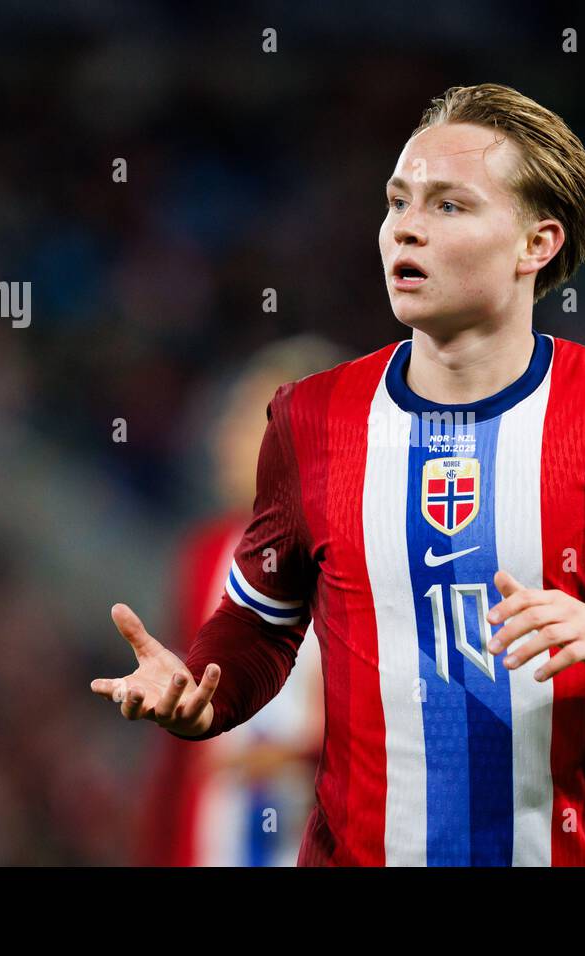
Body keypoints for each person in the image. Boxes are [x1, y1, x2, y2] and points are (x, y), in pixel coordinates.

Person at [92, 82, 585, 866]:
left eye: (449, 206)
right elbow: (259, 630)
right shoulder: (312, 420)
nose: (406, 228)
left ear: (536, 245)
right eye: (397, 201)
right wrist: (198, 695)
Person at [136, 337, 343, 866]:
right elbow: (179, 753)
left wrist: (296, 756)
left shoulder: (359, 558)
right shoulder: (203, 559)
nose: (222, 437)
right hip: (213, 844)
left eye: (247, 418)